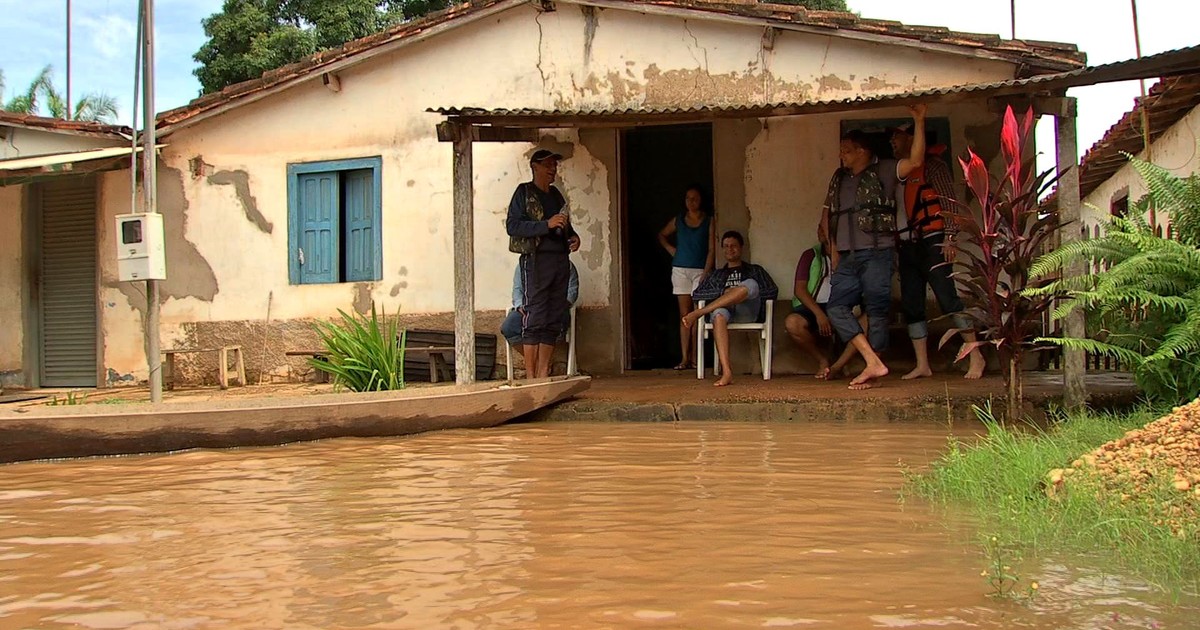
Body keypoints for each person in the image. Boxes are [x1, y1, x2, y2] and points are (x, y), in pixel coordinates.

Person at [819, 104, 927, 390]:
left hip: (878, 253)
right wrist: (834, 254)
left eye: (847, 149)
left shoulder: (887, 170)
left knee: (877, 311)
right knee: (837, 308)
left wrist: (919, 119)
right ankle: (872, 360)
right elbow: (829, 216)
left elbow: (915, 160)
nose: (842, 154)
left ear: (862, 151)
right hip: (847, 256)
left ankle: (873, 368)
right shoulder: (839, 177)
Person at [891, 123, 986, 380]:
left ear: (912, 138)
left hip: (933, 240)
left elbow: (947, 202)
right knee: (912, 304)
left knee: (947, 298)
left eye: (897, 137)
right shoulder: (898, 172)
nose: (892, 142)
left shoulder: (934, 166)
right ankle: (923, 364)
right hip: (908, 245)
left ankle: (975, 355)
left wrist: (951, 238)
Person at [505, 149, 581, 379]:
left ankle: (543, 372)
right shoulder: (524, 192)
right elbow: (513, 226)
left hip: (560, 260)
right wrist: (544, 225)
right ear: (534, 167)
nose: (552, 169)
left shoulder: (556, 195)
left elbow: (562, 224)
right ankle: (530, 376)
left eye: (554, 165)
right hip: (536, 261)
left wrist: (573, 236)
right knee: (535, 314)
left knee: (553, 316)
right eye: (547, 165)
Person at [682, 230, 779, 387]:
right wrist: (724, 293)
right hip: (726, 312)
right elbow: (697, 294)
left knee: (751, 284)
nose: (730, 249)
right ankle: (727, 372)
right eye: (726, 246)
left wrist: (741, 292)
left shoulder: (755, 270)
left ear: (741, 248)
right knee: (718, 315)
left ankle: (700, 313)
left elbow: (772, 291)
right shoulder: (716, 275)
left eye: (733, 246)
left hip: (746, 311)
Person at [784, 225, 867, 379]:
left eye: (825, 229)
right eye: (820, 229)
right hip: (815, 307)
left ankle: (838, 365)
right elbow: (800, 290)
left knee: (868, 320)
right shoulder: (811, 255)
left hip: (843, 306)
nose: (821, 232)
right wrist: (819, 314)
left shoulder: (850, 256)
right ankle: (823, 360)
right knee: (792, 323)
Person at [658, 184, 716, 371]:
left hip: (700, 270)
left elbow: (711, 249)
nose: (691, 202)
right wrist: (672, 250)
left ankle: (696, 358)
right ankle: (684, 358)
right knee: (684, 315)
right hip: (680, 269)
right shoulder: (679, 220)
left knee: (697, 314)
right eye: (688, 198)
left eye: (695, 198)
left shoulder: (709, 221)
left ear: (701, 200)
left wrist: (706, 272)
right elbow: (662, 235)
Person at [501, 261, 580, 361]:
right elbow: (517, 291)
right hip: (528, 309)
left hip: (555, 309)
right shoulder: (524, 264)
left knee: (551, 327)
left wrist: (555, 306)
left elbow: (571, 293)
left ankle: (543, 366)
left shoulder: (565, 264)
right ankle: (536, 363)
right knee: (509, 326)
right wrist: (521, 307)